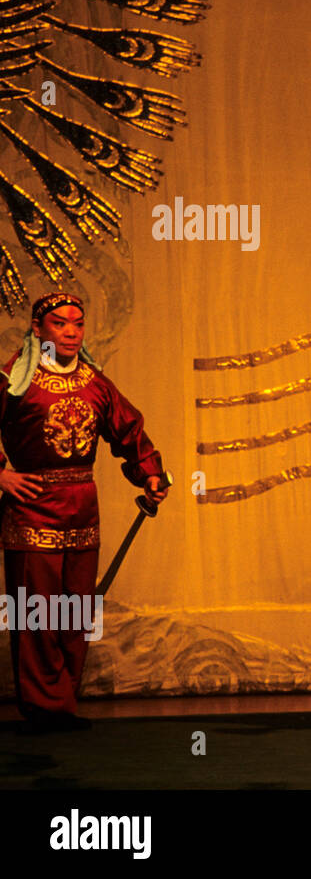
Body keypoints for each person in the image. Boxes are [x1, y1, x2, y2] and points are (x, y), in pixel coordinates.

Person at [0, 293, 167, 733]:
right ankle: (42, 706)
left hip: (81, 507)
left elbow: (129, 430)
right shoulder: (15, 379)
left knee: (75, 609)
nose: (71, 331)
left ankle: (64, 701)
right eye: (60, 323)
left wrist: (150, 473)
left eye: (78, 323)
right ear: (39, 329)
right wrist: (1, 476)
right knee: (37, 609)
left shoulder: (95, 383)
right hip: (31, 508)